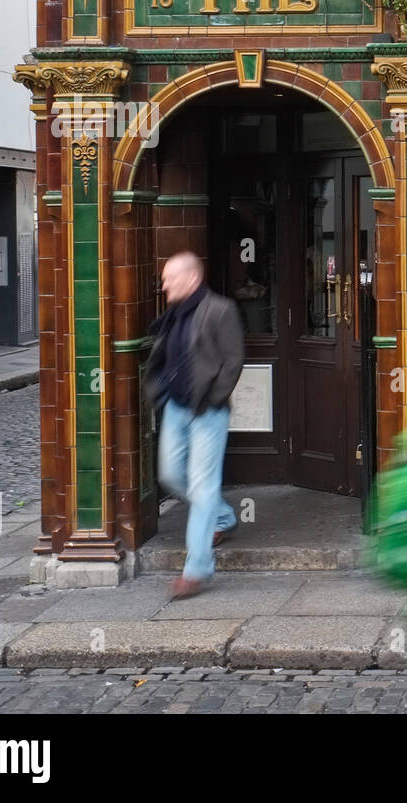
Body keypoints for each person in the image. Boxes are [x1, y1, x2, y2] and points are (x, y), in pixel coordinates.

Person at [145, 252, 245, 599]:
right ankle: (222, 516)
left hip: (207, 412)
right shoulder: (174, 314)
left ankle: (197, 569)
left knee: (202, 487)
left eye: (169, 278)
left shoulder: (220, 310)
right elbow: (161, 357)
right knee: (171, 476)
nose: (164, 285)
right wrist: (160, 393)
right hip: (175, 407)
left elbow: (233, 360)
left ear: (191, 278)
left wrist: (213, 399)